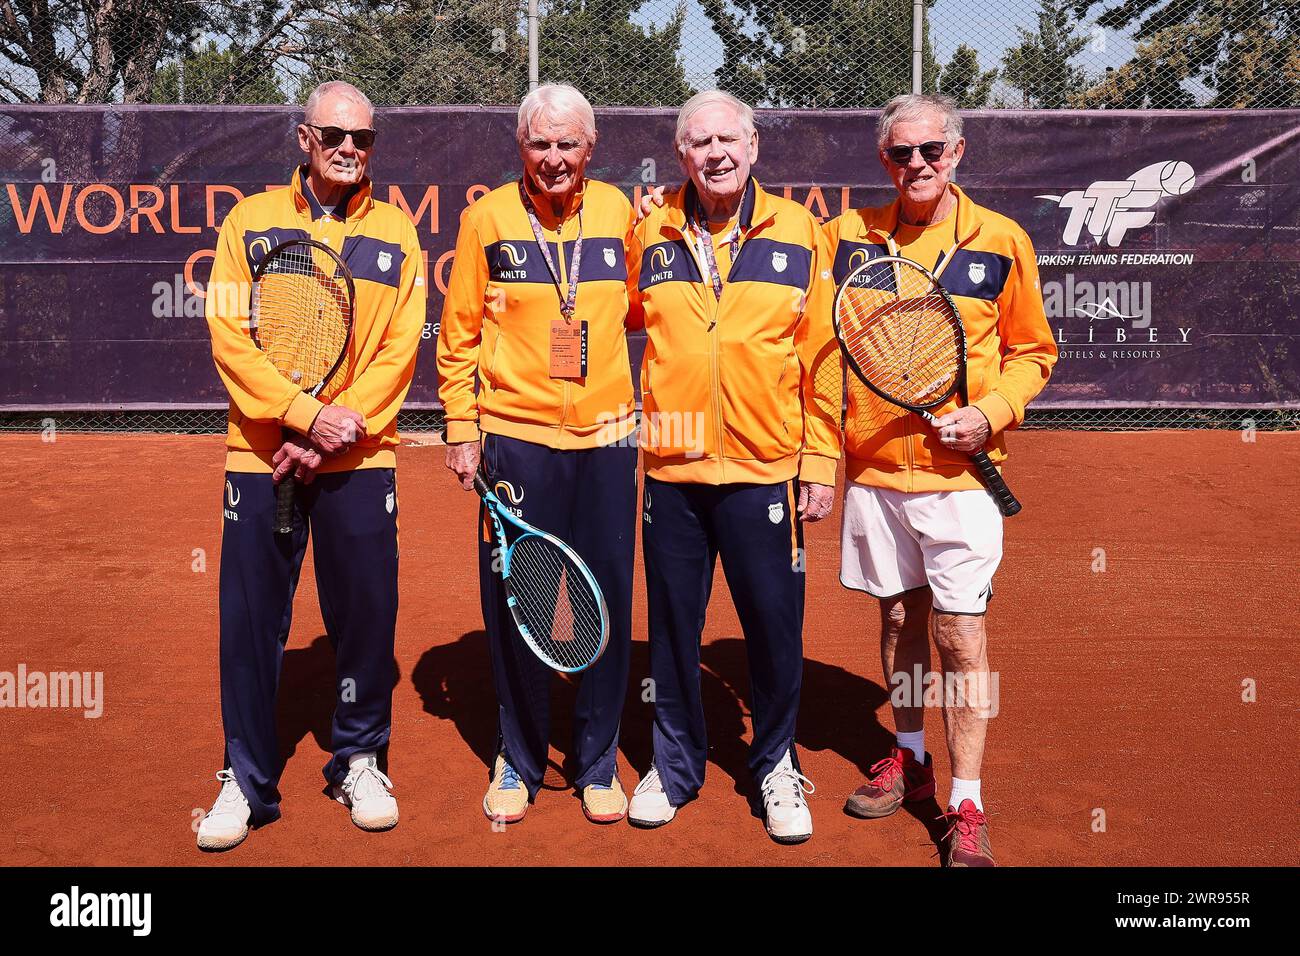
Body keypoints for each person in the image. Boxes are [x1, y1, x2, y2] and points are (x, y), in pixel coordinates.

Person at [823, 94, 1057, 866]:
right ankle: (912, 758)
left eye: (930, 151)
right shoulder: (848, 238)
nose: (916, 165)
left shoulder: (1002, 240)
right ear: (882, 161)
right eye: (899, 154)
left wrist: (991, 412)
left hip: (961, 482)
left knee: (960, 634)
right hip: (877, 473)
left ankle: (967, 801)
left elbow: (1032, 352)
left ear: (957, 152)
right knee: (898, 622)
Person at [196, 81, 426, 851]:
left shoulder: (398, 231)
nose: (349, 148)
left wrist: (333, 429)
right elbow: (229, 334)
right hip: (258, 455)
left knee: (365, 617)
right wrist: (301, 417)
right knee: (251, 624)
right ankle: (246, 776)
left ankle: (358, 756)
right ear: (304, 137)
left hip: (361, 458)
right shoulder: (250, 222)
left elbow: (400, 350)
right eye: (334, 134)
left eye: (363, 137)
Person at [625, 91, 840, 844]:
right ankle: (673, 766)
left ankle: (776, 762)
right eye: (698, 142)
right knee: (673, 631)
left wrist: (819, 460)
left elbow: (822, 356)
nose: (714, 153)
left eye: (727, 139)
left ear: (753, 147)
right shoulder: (647, 230)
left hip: (766, 468)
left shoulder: (802, 231)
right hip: (675, 471)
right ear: (680, 154)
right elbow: (619, 319)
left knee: (775, 630)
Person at [438, 83, 639, 826]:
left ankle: (596, 759)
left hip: (610, 439)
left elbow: (646, 311)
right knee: (519, 599)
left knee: (605, 597)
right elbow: (458, 336)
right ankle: (518, 758)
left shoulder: (624, 217)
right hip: (516, 441)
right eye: (539, 144)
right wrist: (463, 429)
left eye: (567, 145)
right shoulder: (485, 219)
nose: (553, 159)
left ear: (592, 147)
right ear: (519, 146)